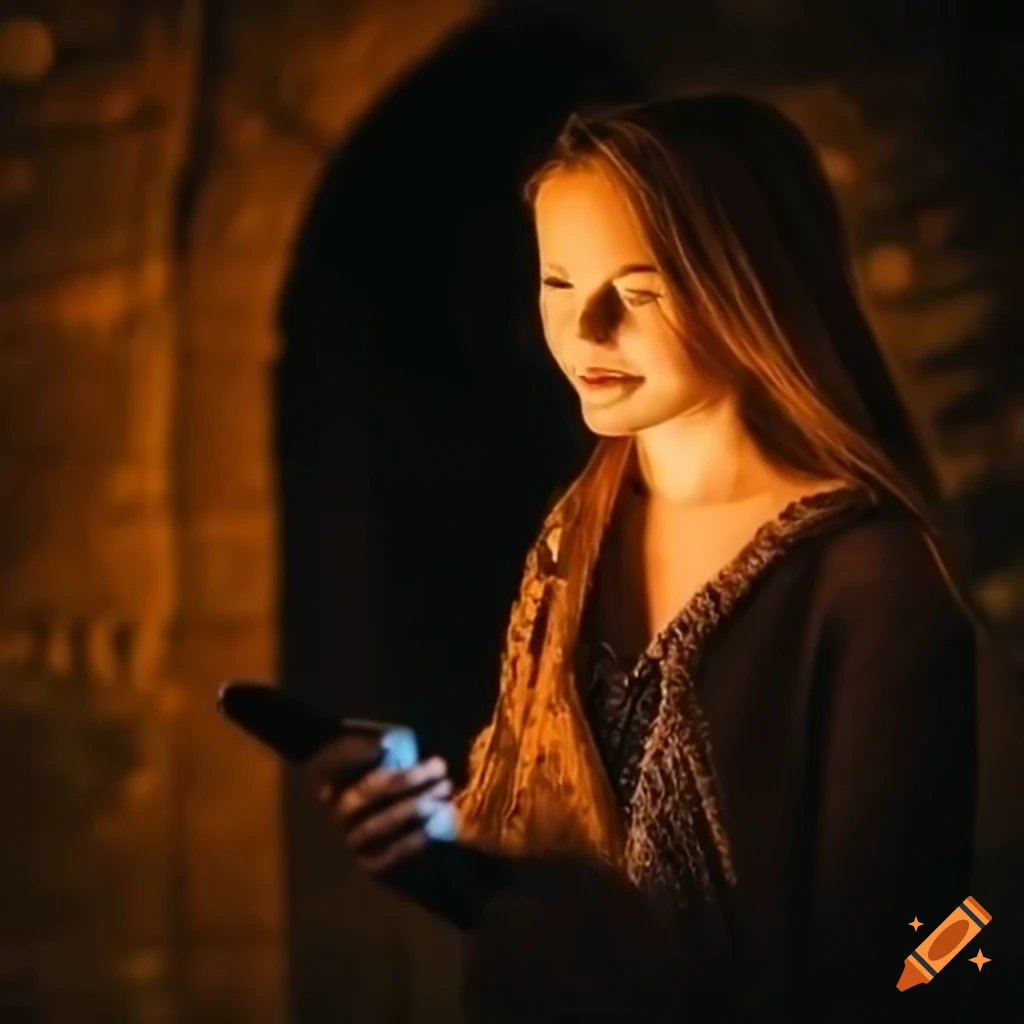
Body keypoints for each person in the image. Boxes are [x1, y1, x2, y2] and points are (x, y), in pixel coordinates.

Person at [311, 95, 978, 1020]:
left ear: (752, 284)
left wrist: (931, 969)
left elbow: (931, 941)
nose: (586, 328)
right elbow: (553, 894)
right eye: (557, 281)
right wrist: (432, 855)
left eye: (641, 287)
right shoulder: (574, 539)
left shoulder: (870, 582)